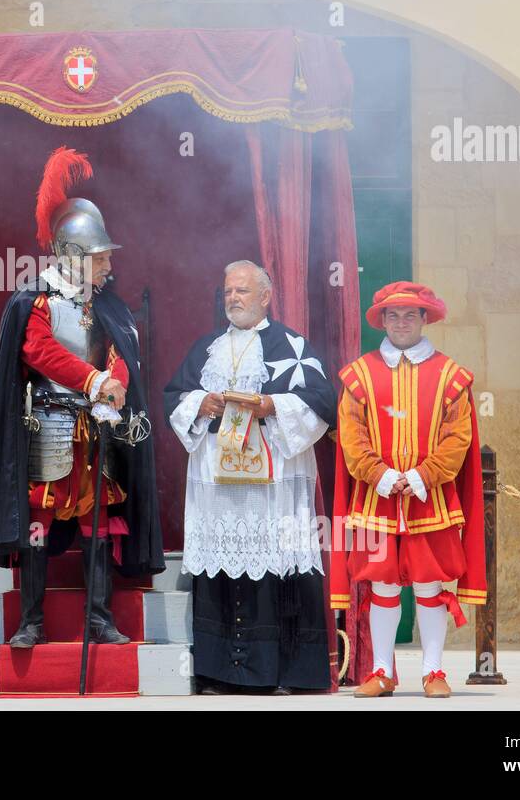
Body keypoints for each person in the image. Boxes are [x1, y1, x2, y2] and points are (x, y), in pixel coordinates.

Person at [0, 146, 163, 649]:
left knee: (97, 518)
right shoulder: (34, 300)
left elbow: (123, 347)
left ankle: (99, 617)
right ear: (73, 254)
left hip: (97, 425)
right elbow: (39, 352)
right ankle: (32, 620)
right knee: (40, 518)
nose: (107, 264)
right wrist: (94, 381)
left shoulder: (108, 302)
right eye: (100, 256)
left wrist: (115, 380)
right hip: (50, 422)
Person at [164, 261, 337, 693]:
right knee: (224, 565)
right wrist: (202, 405)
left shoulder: (292, 347)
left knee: (276, 564)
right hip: (219, 485)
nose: (234, 299)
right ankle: (221, 673)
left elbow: (321, 403)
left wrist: (270, 406)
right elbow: (174, 397)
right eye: (227, 293)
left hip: (273, 483)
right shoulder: (205, 349)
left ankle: (281, 673)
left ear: (265, 296)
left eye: (242, 291)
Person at [330, 281, 486, 698]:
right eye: (393, 315)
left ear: (424, 318)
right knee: (381, 585)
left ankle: (433, 672)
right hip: (376, 501)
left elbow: (458, 439)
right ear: (382, 321)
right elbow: (351, 436)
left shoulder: (452, 377)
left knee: (429, 585)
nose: (401, 323)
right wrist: (379, 474)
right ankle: (382, 672)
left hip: (429, 500)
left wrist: (420, 476)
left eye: (410, 315)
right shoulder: (358, 376)